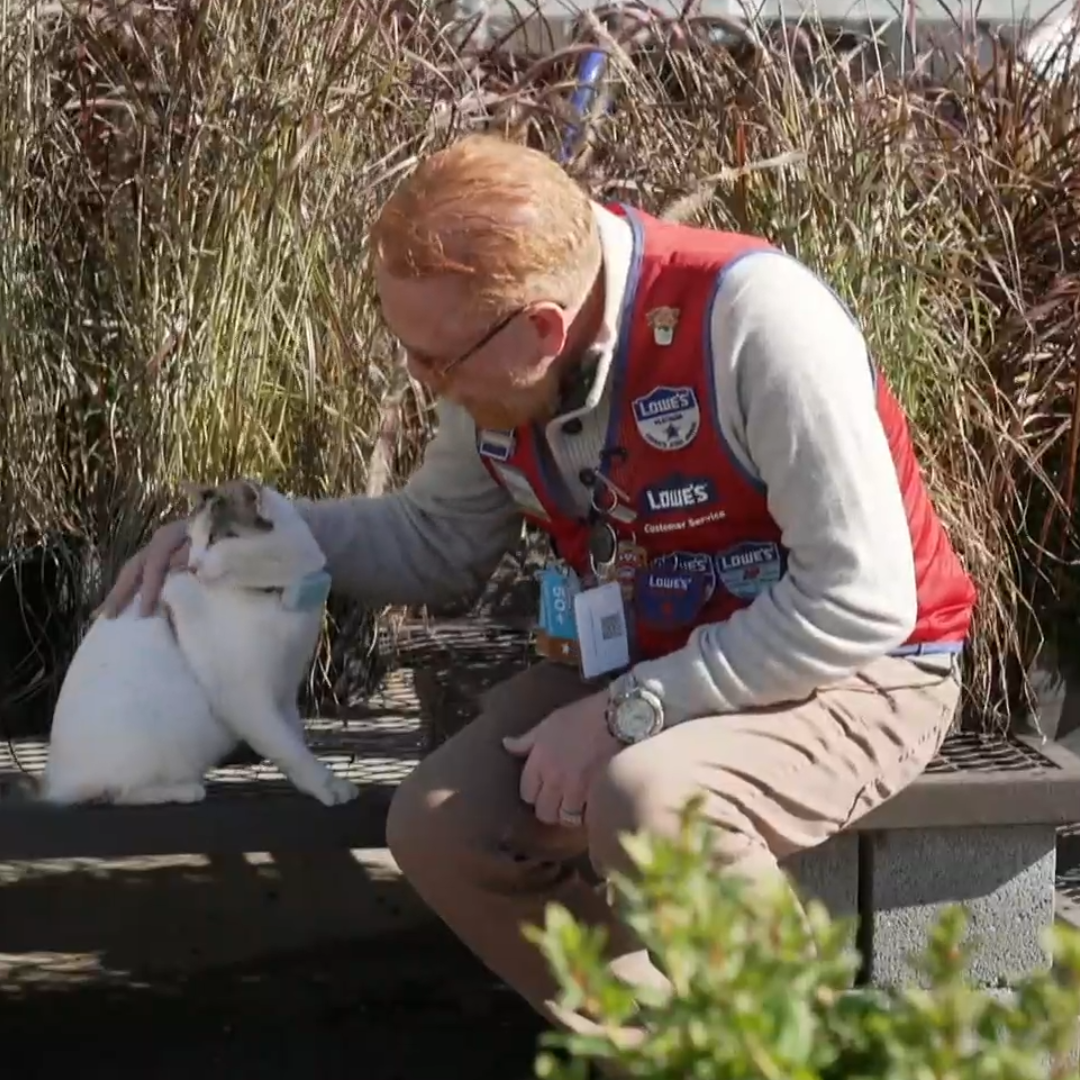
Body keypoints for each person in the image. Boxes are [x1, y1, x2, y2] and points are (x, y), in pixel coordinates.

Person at [101, 133, 976, 1036]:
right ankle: (671, 1053)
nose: (420, 381)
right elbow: (434, 540)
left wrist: (626, 711)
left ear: (542, 330)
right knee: (443, 829)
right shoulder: (501, 355)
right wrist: (247, 534)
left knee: (654, 803)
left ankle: (801, 1057)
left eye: (434, 361)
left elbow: (861, 601)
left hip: (864, 666)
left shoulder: (753, 319)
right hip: (654, 659)